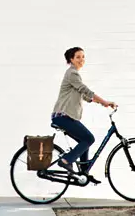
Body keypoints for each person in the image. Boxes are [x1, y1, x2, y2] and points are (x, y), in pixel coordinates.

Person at [51, 47, 117, 182]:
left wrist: (103, 103)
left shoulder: (73, 75)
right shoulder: (72, 74)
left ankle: (83, 173)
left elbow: (85, 96)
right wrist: (104, 101)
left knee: (84, 141)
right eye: (78, 57)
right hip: (63, 116)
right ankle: (66, 160)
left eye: (83, 57)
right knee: (89, 139)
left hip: (65, 117)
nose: (82, 60)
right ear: (71, 59)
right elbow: (85, 90)